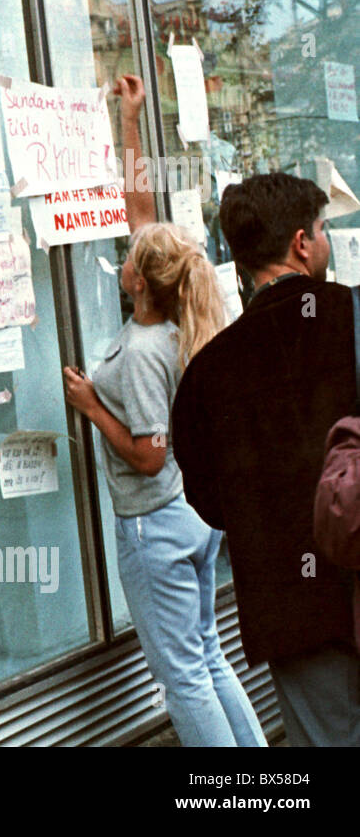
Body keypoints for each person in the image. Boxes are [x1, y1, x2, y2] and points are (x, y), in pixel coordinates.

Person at [62, 74, 266, 747]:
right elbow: (139, 208)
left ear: (140, 283)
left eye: (128, 257)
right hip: (193, 517)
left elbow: (148, 453)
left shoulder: (146, 350)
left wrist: (92, 406)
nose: (122, 255)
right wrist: (129, 120)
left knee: (182, 676)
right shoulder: (187, 324)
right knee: (207, 656)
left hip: (157, 523)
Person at [172, 170, 360, 746]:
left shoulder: (208, 371)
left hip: (290, 607)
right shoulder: (352, 319)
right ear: (302, 242)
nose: (326, 241)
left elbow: (207, 498)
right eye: (324, 228)